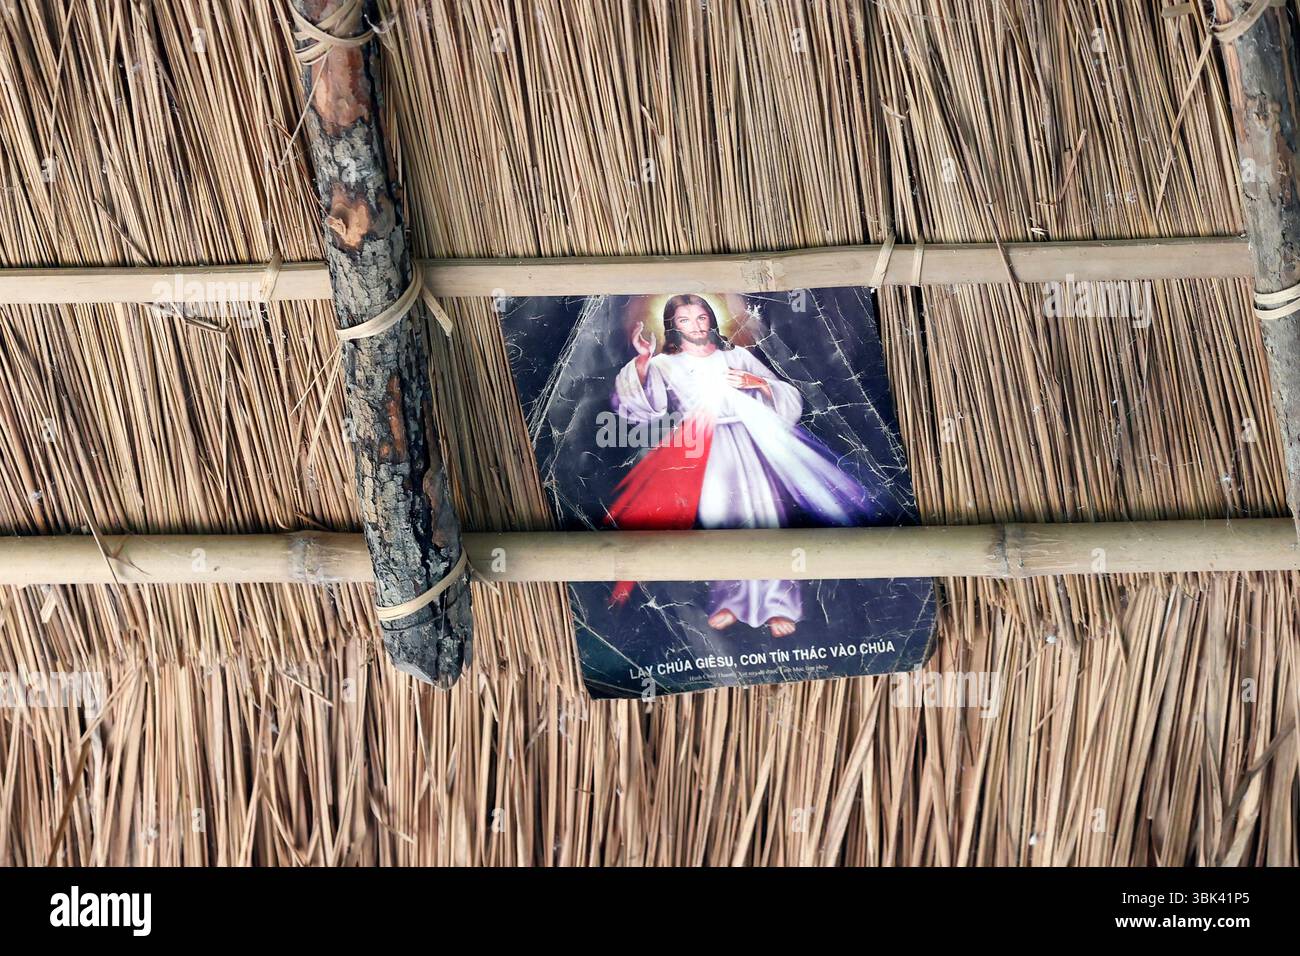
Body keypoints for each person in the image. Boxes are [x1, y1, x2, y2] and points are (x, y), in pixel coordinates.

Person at [608, 294, 872, 638]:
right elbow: (642, 408)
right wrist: (642, 360)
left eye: (701, 317)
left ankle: (779, 604)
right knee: (721, 520)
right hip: (705, 447)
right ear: (673, 326)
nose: (696, 326)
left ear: (711, 320)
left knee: (768, 519)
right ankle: (730, 599)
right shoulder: (663, 364)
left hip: (752, 441)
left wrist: (758, 384)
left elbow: (785, 395)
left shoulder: (737, 355)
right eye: (685, 320)